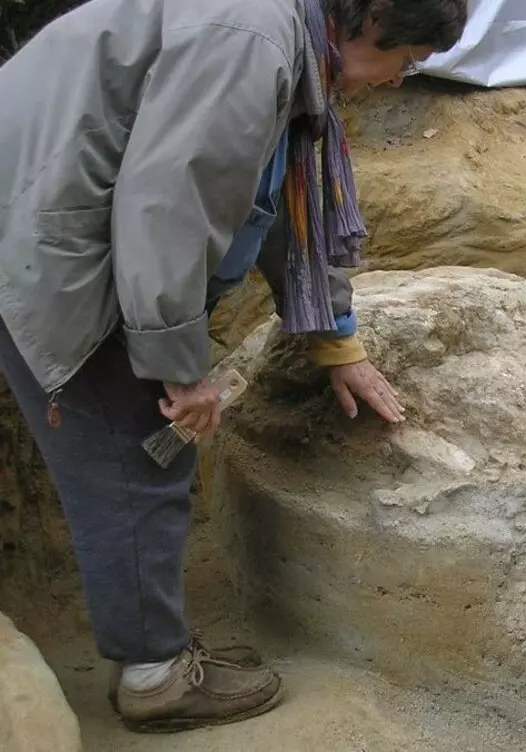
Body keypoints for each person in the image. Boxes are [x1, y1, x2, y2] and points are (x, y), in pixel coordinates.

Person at [0, 0, 467, 733]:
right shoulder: (251, 43)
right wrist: (179, 370)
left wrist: (337, 342)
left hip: (46, 214)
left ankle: (146, 650)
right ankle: (155, 676)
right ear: (372, 17)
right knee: (141, 451)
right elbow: (169, 205)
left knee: (140, 448)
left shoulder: (277, 37)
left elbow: (275, 198)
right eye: (404, 62)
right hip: (43, 238)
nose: (396, 83)